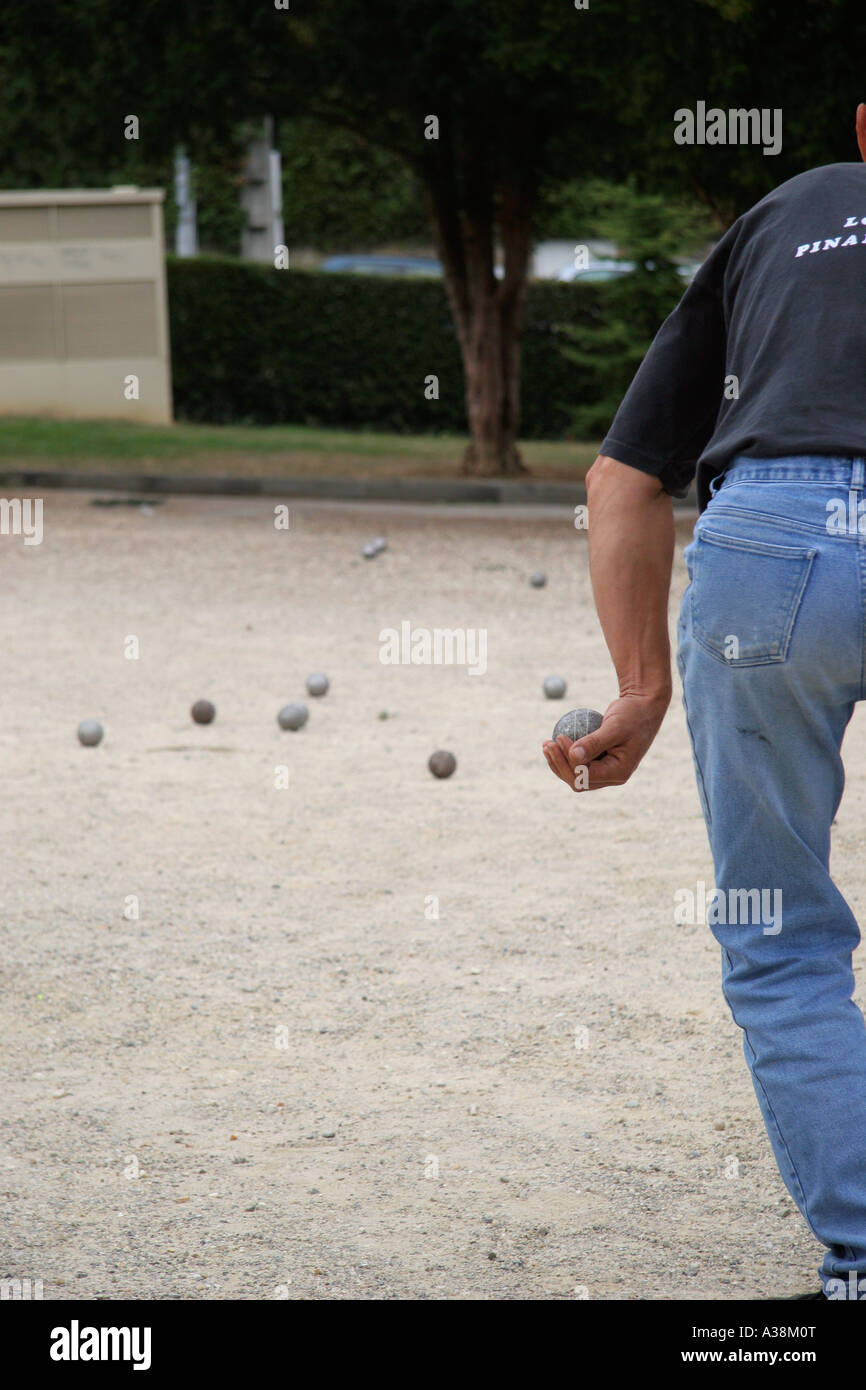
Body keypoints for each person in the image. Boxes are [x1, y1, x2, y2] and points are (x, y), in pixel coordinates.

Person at [542, 105, 866, 1301]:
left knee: (779, 935)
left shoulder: (781, 213)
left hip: (767, 540)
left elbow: (622, 473)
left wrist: (636, 689)